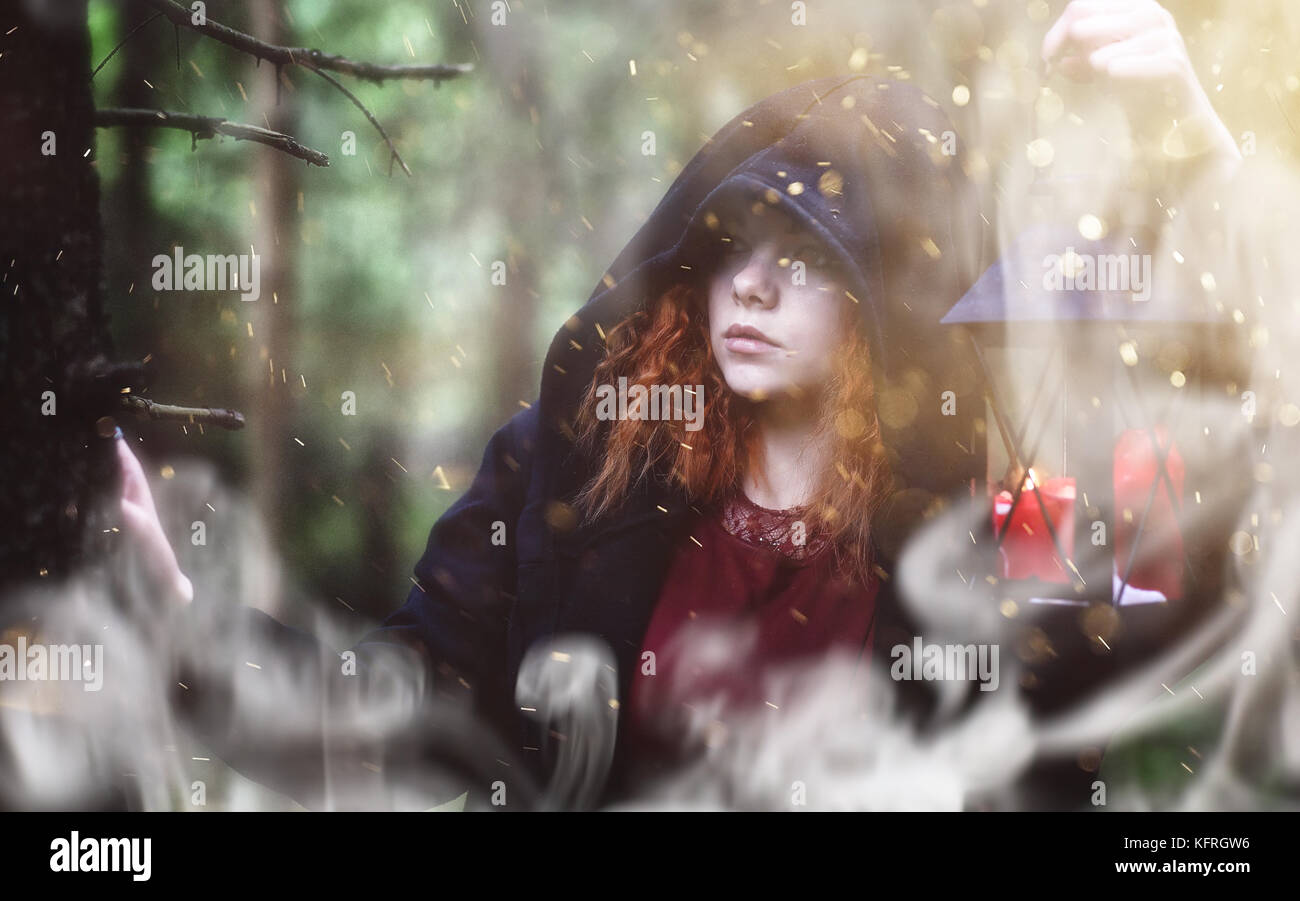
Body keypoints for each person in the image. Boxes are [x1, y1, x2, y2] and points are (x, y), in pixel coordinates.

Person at [116, 2, 1241, 810]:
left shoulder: (994, 517)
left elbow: (1166, 621)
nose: (747, 284)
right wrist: (174, 619)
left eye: (805, 256)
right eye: (732, 245)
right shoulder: (581, 472)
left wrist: (1192, 157)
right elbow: (390, 719)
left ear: (883, 311)